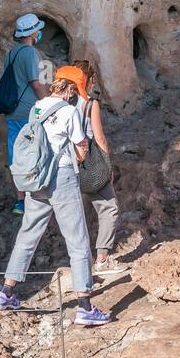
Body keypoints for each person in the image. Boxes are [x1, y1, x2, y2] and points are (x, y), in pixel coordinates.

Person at [0, 76, 113, 327]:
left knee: (28, 235)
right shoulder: (69, 111)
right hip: (62, 176)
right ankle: (84, 306)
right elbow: (81, 145)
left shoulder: (37, 107)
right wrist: (81, 160)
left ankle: (6, 293)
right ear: (69, 92)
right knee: (77, 240)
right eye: (74, 93)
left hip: (37, 179)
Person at [55, 62, 121, 276]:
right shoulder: (90, 103)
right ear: (89, 80)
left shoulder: (54, 102)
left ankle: (80, 261)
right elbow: (99, 137)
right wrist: (107, 166)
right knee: (109, 207)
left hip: (62, 163)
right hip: (87, 161)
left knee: (73, 214)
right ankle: (102, 259)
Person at [0, 13, 49, 216]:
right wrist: (48, 103)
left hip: (11, 111)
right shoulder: (30, 53)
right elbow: (36, 83)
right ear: (34, 32)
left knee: (16, 154)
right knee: (35, 152)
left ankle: (20, 201)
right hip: (28, 111)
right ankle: (36, 197)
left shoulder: (10, 53)